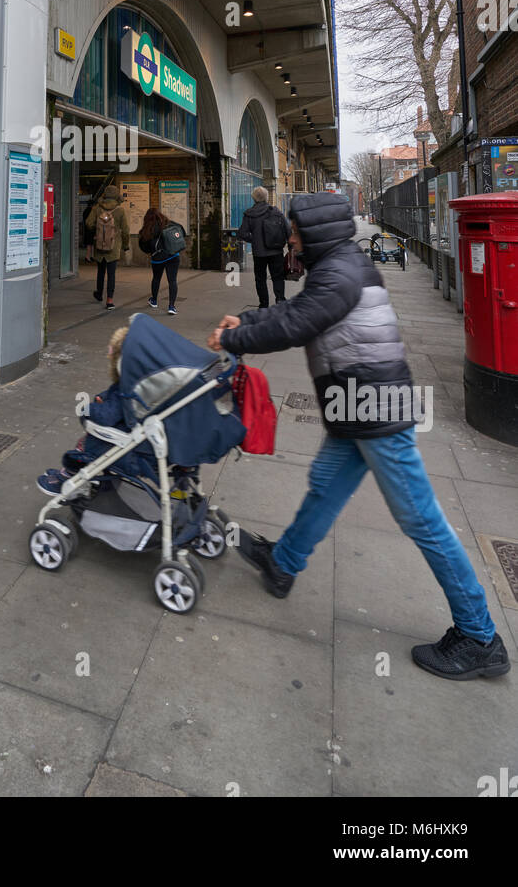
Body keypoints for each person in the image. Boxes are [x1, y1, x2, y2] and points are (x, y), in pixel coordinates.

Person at [208, 191, 510, 682]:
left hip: (375, 411)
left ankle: (479, 637)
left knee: (423, 521)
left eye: (298, 229)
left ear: (319, 230)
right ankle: (283, 562)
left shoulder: (338, 275)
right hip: (355, 406)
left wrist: (235, 338)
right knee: (325, 483)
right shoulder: (337, 266)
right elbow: (295, 310)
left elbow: (297, 322)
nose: (293, 237)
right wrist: (244, 319)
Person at [37, 326, 129, 494]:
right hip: (131, 434)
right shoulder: (136, 387)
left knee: (85, 446)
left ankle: (67, 477)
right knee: (88, 442)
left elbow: (107, 415)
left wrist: (88, 409)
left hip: (122, 443)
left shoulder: (127, 390)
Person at [238, 186, 290, 309]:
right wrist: (291, 247)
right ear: (266, 197)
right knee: (277, 277)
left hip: (259, 253)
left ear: (254, 198)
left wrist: (255, 240)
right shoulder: (276, 212)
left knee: (260, 279)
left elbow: (242, 233)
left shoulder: (250, 214)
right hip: (276, 251)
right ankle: (280, 300)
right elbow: (287, 230)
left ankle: (264, 304)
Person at [85, 184, 130, 310]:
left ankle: (99, 294)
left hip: (99, 245)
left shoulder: (97, 209)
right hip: (114, 248)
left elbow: (89, 223)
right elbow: (126, 230)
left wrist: (98, 232)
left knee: (100, 272)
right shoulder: (120, 210)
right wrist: (125, 245)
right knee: (111, 274)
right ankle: (109, 300)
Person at [138, 206, 182, 315]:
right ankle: (171, 306)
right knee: (172, 280)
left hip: (158, 258)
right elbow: (181, 231)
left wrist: (151, 251)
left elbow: (143, 246)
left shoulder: (148, 229)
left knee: (156, 279)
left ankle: (154, 300)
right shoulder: (169, 223)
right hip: (173, 255)